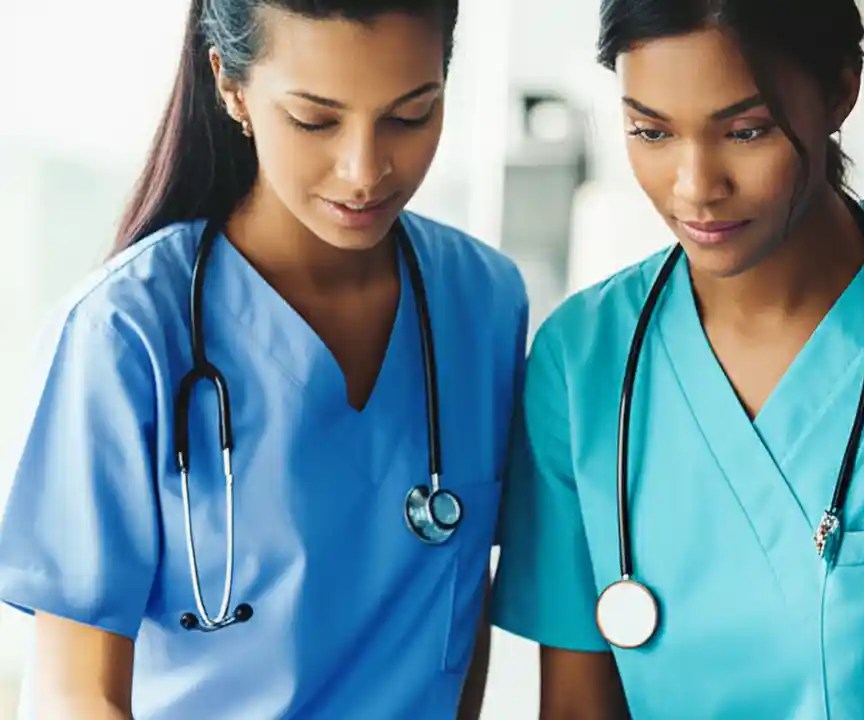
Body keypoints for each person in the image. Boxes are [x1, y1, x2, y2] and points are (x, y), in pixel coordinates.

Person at [490, 1, 864, 717]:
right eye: (650, 131)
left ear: (839, 92)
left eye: (746, 131)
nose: (696, 185)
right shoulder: (581, 360)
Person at [0, 1, 527, 717]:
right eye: (316, 120)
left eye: (410, 115)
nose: (365, 169)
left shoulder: (483, 304)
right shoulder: (124, 334)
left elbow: (455, 626)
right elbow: (75, 694)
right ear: (230, 86)